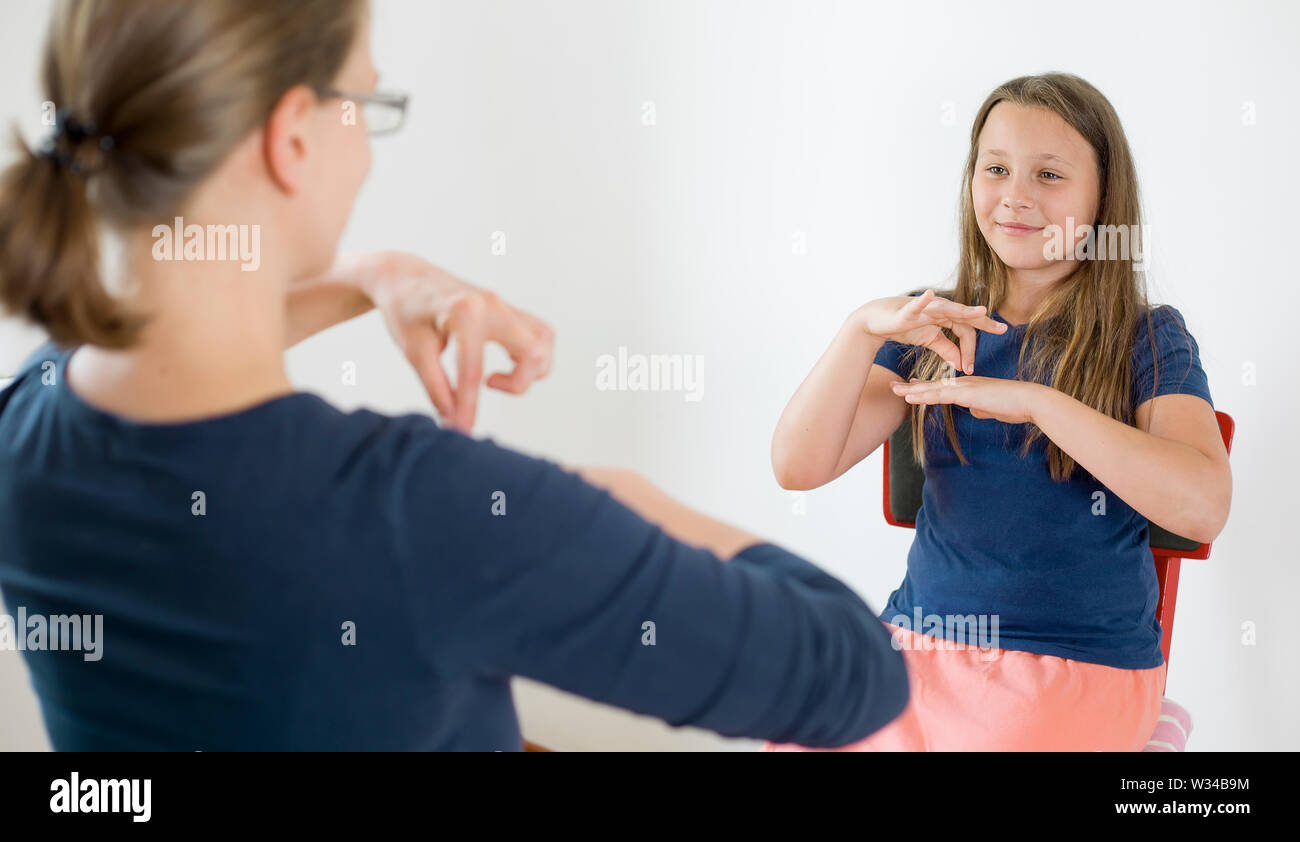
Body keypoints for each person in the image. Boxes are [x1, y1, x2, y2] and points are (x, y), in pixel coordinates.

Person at [0, 0, 909, 750]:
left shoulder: (25, 429)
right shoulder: (424, 512)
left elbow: (148, 344)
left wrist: (367, 276)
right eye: (366, 101)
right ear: (292, 138)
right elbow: (854, 673)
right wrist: (612, 500)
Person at [768, 73, 1231, 751]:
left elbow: (1201, 505)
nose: (1016, 195)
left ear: (1103, 199)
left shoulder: (1146, 336)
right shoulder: (932, 323)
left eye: (1049, 174)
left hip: (1072, 668)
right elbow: (796, 467)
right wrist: (860, 330)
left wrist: (1039, 404)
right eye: (996, 169)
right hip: (916, 647)